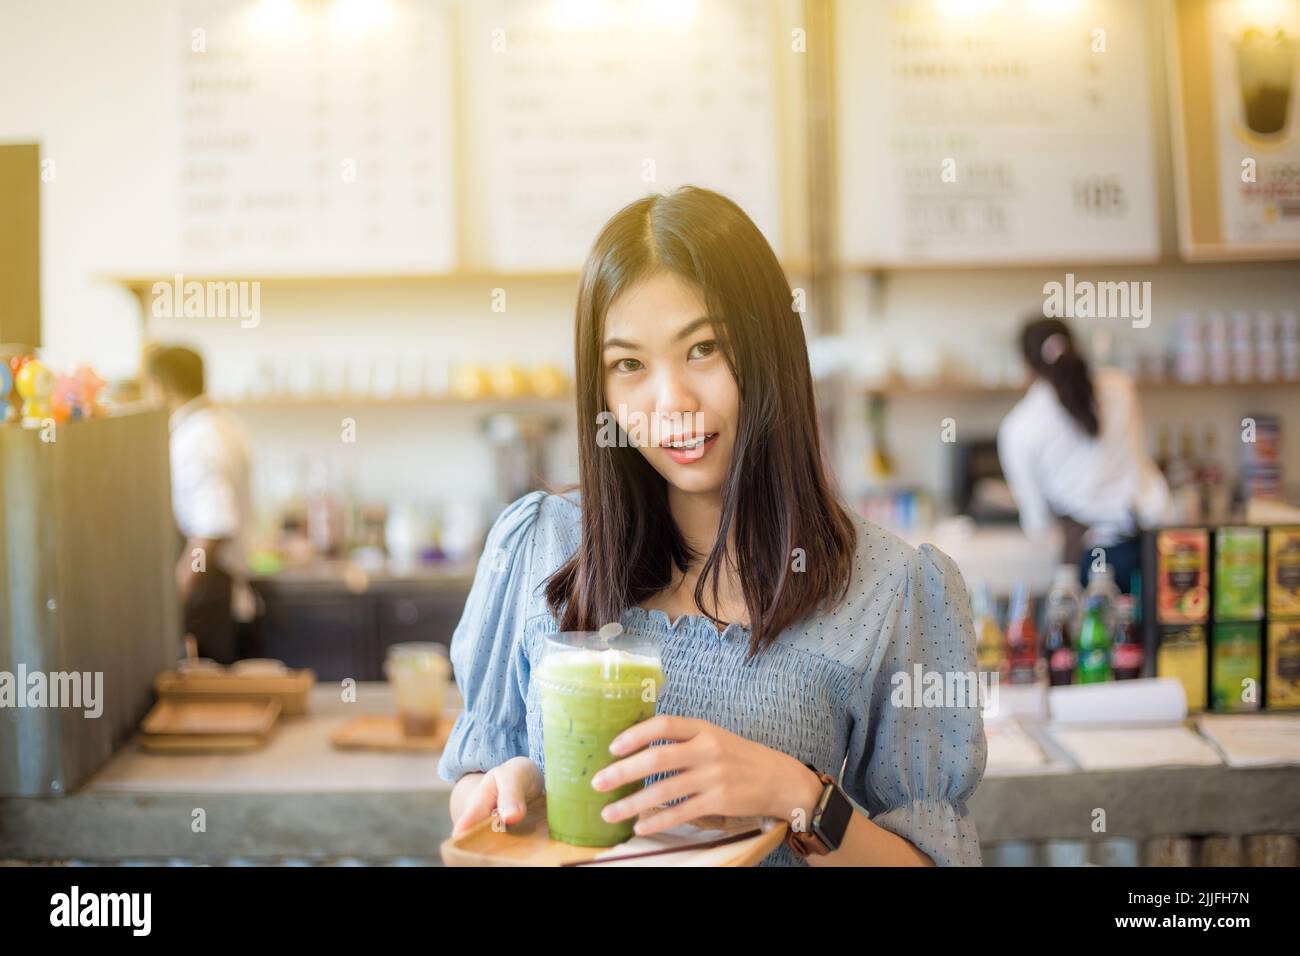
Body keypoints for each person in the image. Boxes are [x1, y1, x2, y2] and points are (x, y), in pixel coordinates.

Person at [437, 187, 986, 867]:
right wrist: (506, 791)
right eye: (629, 365)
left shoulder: (891, 586)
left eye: (704, 349)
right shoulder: (539, 545)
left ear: (768, 351)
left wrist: (799, 795)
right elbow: (477, 783)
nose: (671, 403)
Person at [997, 317, 1171, 593]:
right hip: (1149, 547)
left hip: (1088, 559)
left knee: (1098, 635)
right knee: (1150, 635)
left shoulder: (1018, 426)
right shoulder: (1121, 387)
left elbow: (1038, 524)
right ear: (1076, 346)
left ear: (1026, 365)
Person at [143, 345, 256, 664]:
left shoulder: (194, 439)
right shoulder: (224, 425)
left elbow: (210, 531)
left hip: (207, 596)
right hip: (221, 590)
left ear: (159, 386)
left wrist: (177, 595)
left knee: (208, 702)